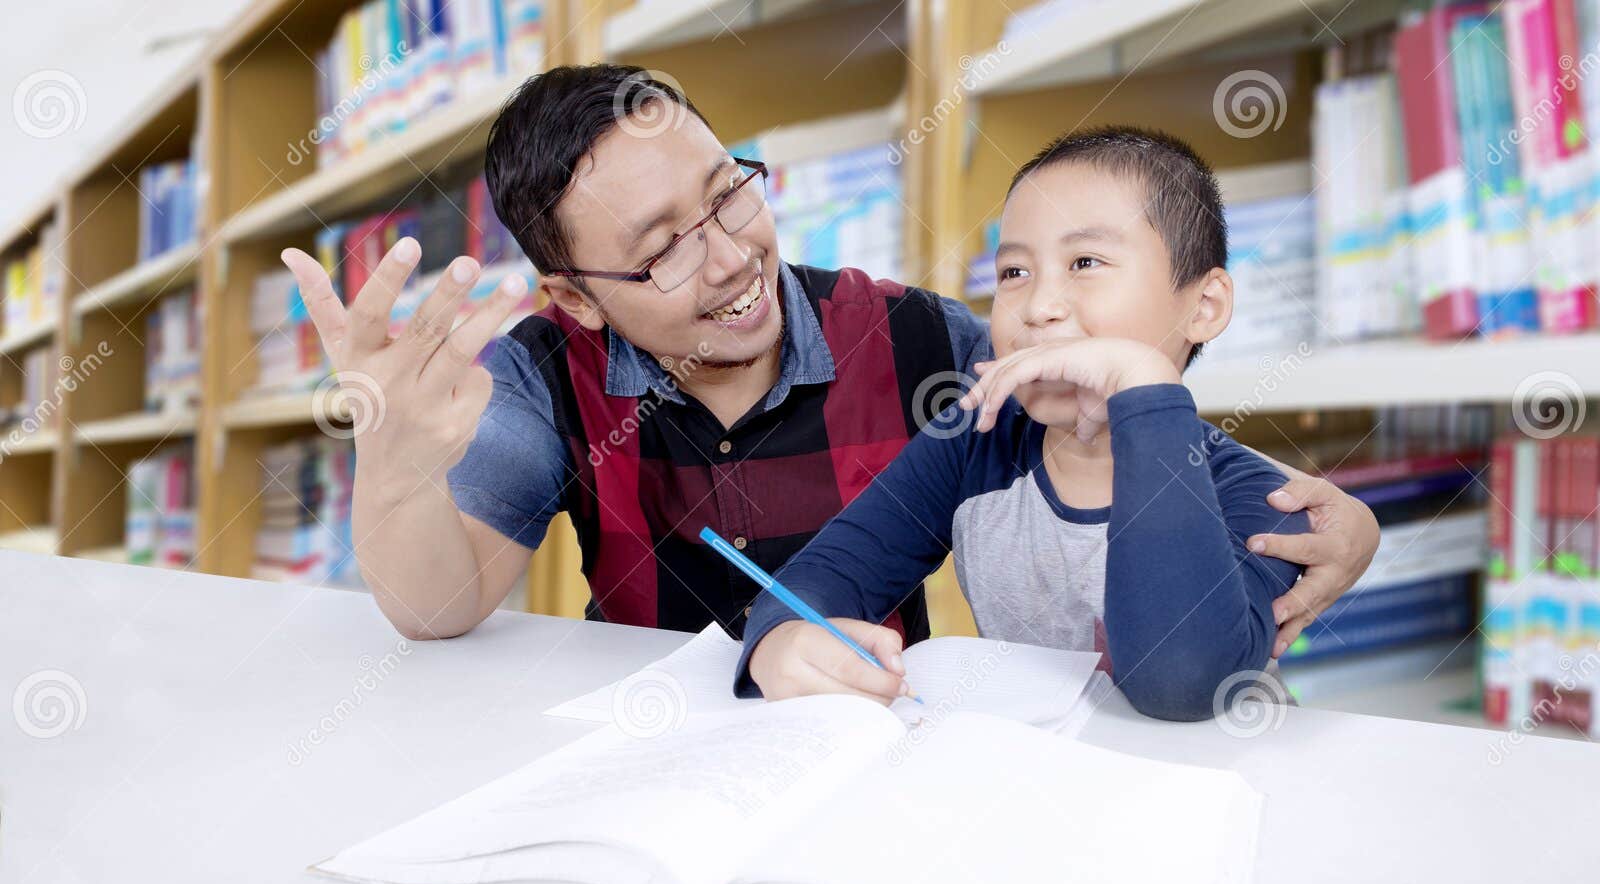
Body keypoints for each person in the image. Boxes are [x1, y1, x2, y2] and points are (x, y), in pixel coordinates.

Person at [279, 66, 1376, 672]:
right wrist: (396, 465)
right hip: (656, 750)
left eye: (728, 192)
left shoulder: (921, 341)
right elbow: (437, 609)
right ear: (575, 297)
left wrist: (1347, 520)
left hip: (875, 740)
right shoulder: (540, 373)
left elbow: (1112, 426)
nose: (729, 258)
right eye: (662, 249)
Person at [740, 126, 1311, 720]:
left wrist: (1143, 385)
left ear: (1205, 306)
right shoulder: (972, 445)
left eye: (1085, 262)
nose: (1038, 307)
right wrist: (783, 636)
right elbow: (828, 572)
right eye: (1014, 272)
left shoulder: (1260, 495)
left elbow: (1180, 685)